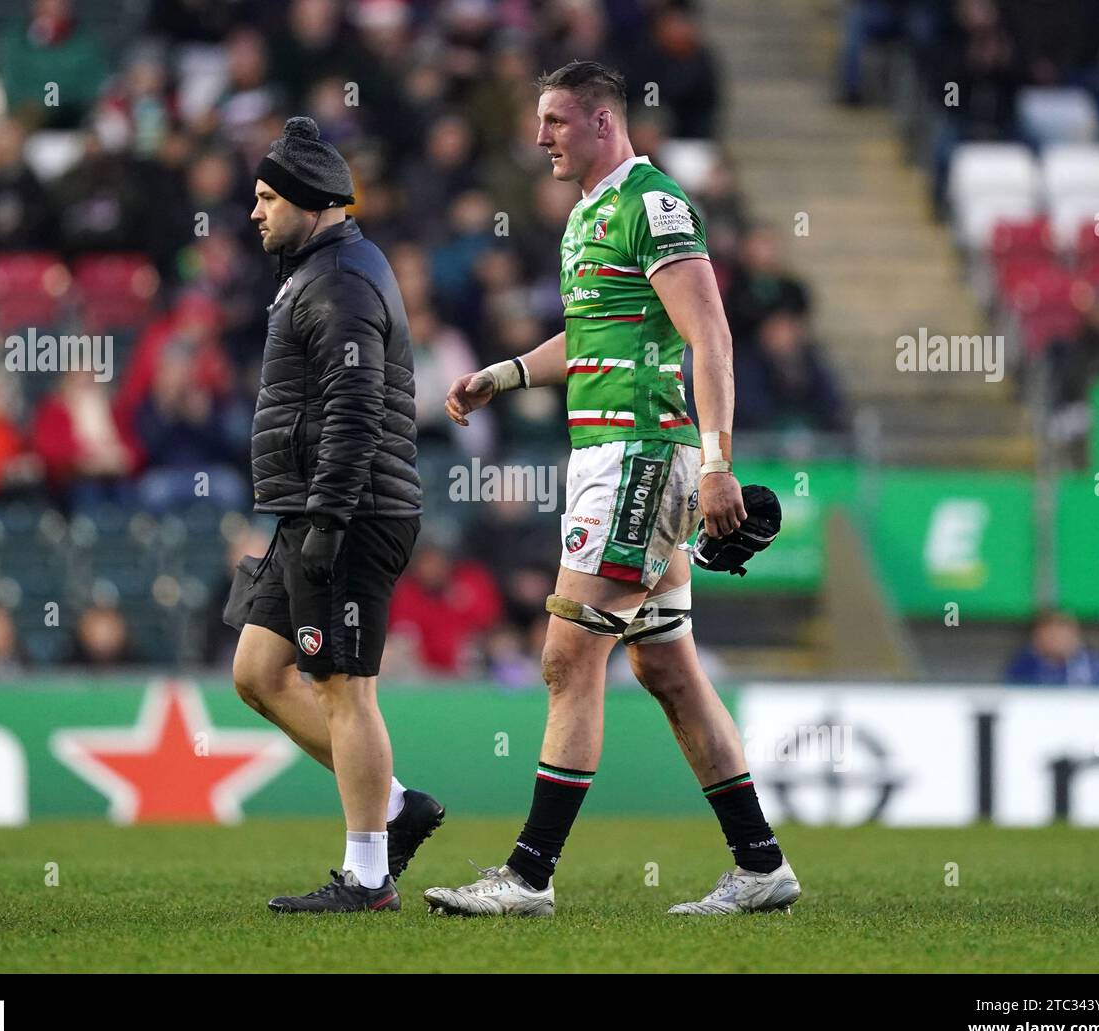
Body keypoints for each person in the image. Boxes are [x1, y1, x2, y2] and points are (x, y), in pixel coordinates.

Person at [429, 61, 801, 917]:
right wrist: (509, 372)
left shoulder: (653, 204)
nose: (540, 137)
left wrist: (715, 460)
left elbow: (709, 333)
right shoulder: (587, 216)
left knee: (566, 657)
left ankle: (527, 875)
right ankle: (760, 863)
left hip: (640, 454)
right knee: (668, 667)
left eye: (556, 121)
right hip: (606, 453)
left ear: (603, 121)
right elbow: (591, 333)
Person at [230, 117, 442, 913]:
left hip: (351, 511)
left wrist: (325, 520)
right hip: (312, 509)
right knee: (257, 672)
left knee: (342, 687)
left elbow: (354, 412)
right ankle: (393, 805)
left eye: (265, 197)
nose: (254, 211)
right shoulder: (320, 267)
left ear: (309, 199)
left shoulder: (343, 278)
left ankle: (367, 874)